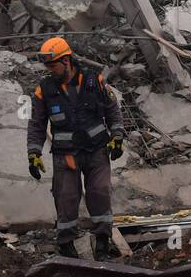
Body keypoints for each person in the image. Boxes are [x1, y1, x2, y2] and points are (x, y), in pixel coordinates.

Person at [25, 36, 125, 259]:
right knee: (66, 198)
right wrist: (33, 152)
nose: (50, 70)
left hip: (97, 151)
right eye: (48, 66)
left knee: (99, 193)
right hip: (66, 155)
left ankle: (101, 244)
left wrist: (117, 135)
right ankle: (67, 247)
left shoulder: (94, 81)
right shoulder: (44, 90)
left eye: (53, 65)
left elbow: (112, 109)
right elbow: (37, 124)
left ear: (67, 60)